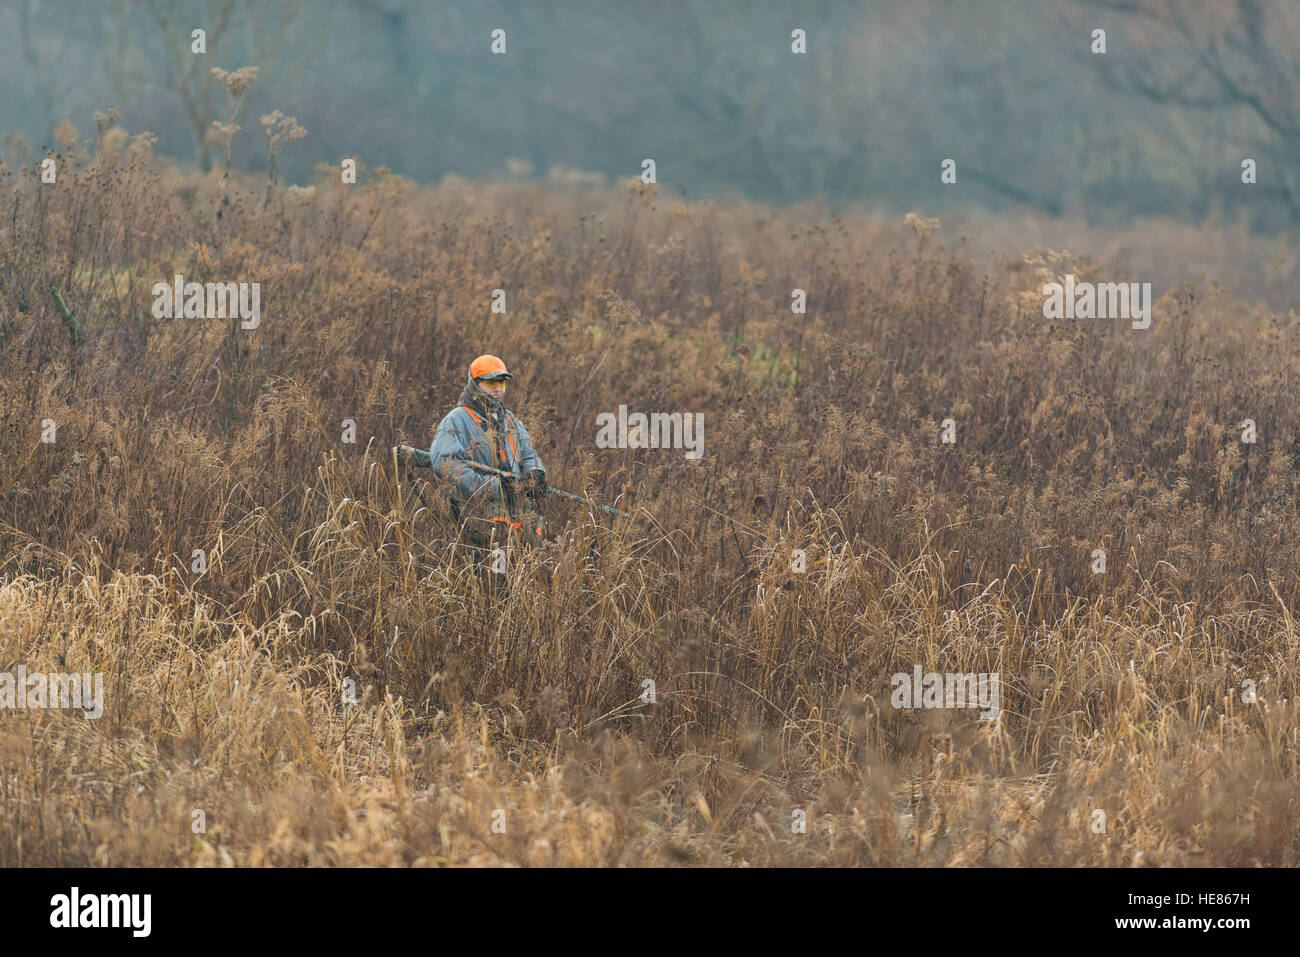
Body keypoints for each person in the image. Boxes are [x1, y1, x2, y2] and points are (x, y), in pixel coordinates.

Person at [429, 354, 548, 551]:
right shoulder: (457, 419)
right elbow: (445, 462)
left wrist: (536, 474)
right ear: (475, 384)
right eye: (491, 382)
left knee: (518, 564)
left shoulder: (509, 419)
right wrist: (490, 487)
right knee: (488, 571)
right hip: (476, 514)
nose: (498, 388)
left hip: (513, 510)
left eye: (502, 383)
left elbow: (528, 453)